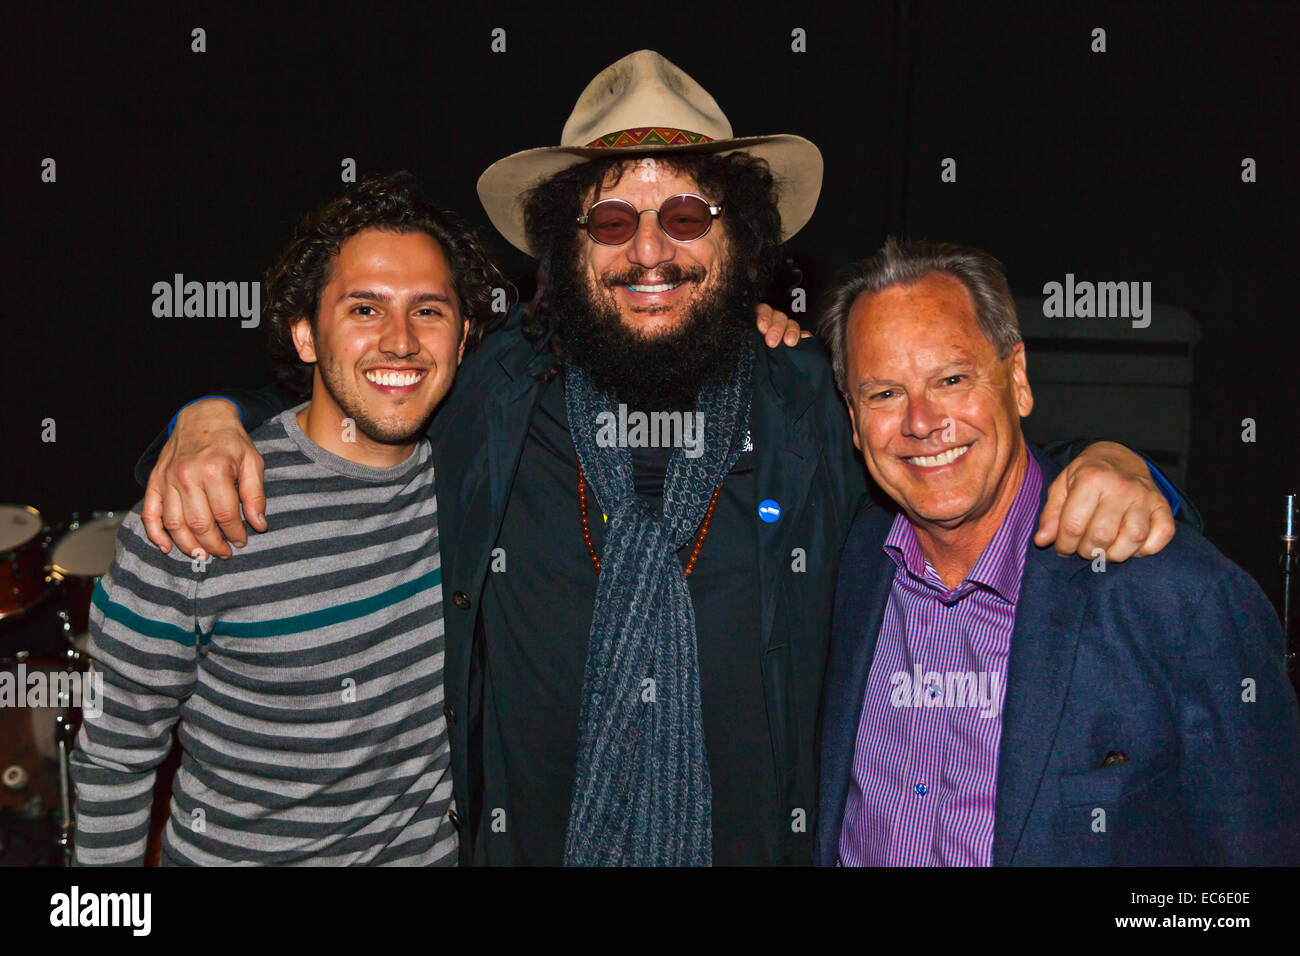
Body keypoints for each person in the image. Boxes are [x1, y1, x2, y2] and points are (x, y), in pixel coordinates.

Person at [136, 52, 1185, 866]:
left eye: (686, 213)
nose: (650, 249)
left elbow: (952, 455)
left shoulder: (806, 402)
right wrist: (203, 417)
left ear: (739, 236)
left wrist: (1113, 463)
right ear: (565, 241)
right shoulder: (489, 397)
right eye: (611, 218)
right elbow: (346, 411)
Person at [815, 238, 1300, 865]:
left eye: (953, 379)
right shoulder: (853, 558)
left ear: (1017, 379)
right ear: (853, 418)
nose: (921, 421)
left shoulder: (1180, 598)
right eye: (883, 394)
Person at [70, 173, 500, 864]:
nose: (400, 341)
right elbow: (114, 762)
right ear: (305, 334)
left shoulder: (476, 483)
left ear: (463, 336)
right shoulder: (198, 510)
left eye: (429, 310)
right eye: (364, 309)